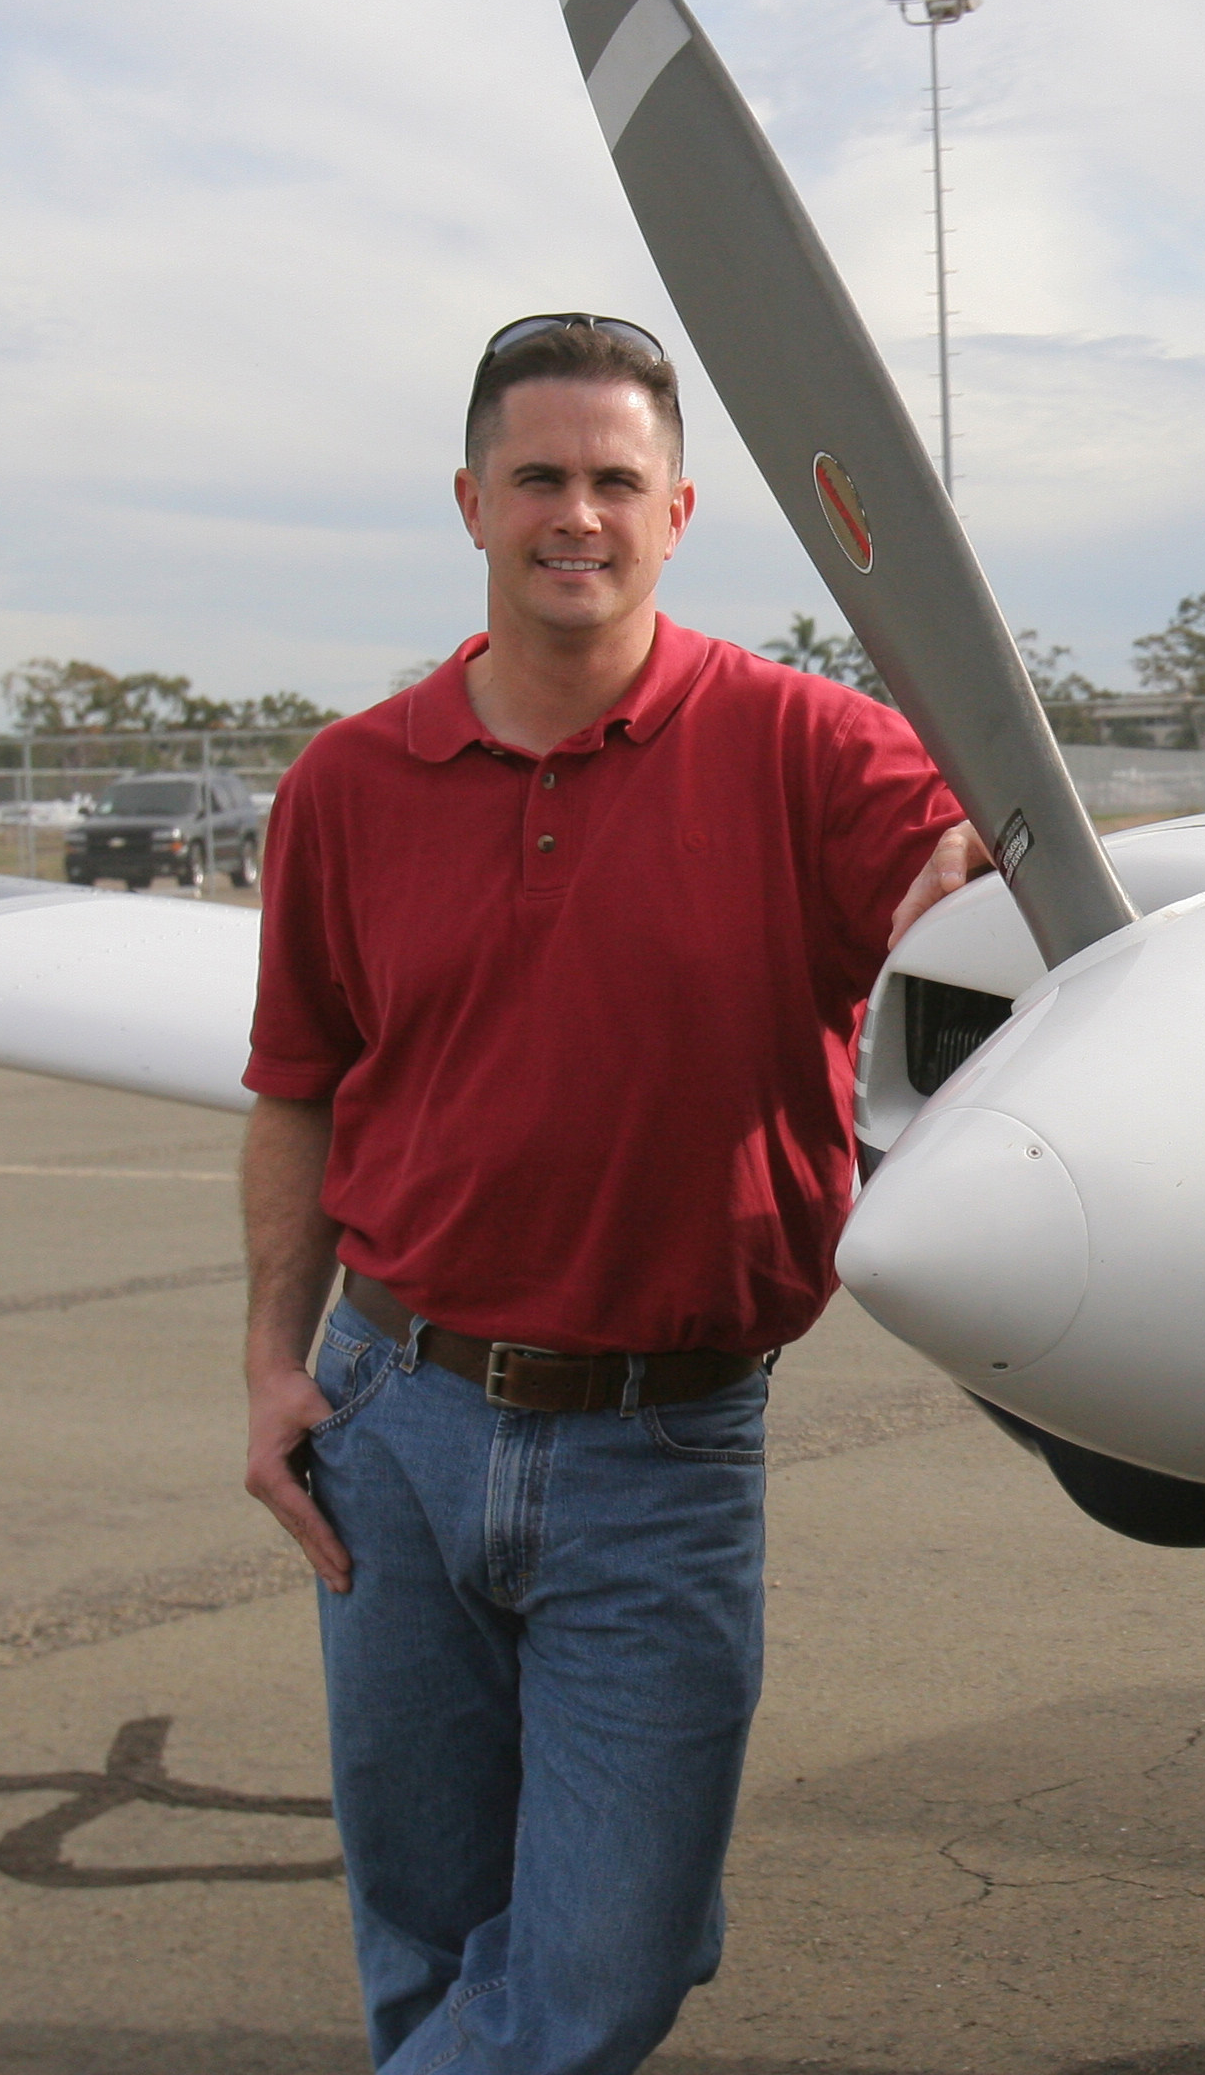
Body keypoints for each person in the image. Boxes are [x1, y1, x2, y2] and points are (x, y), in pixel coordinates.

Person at [238, 314, 983, 2074]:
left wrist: (979, 866)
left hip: (665, 1446)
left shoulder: (813, 749)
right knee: (424, 1933)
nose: (579, 515)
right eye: (541, 480)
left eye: (615, 482)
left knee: (604, 1970)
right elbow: (296, 1092)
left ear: (679, 510)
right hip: (392, 1415)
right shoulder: (346, 783)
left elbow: (981, 884)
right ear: (472, 503)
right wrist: (274, 1366)